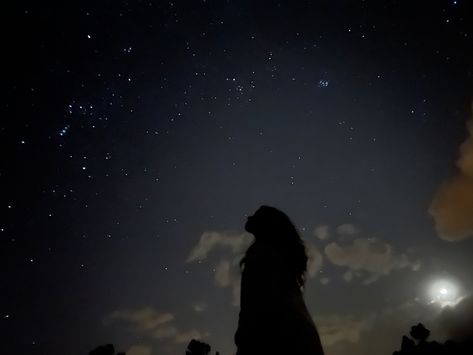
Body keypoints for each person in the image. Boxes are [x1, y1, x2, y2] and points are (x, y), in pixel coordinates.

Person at [235, 206, 324, 355]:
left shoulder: (260, 253)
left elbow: (256, 306)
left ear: (266, 224)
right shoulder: (278, 260)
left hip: (279, 340)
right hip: (300, 340)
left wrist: (244, 340)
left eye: (257, 215)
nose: (249, 217)